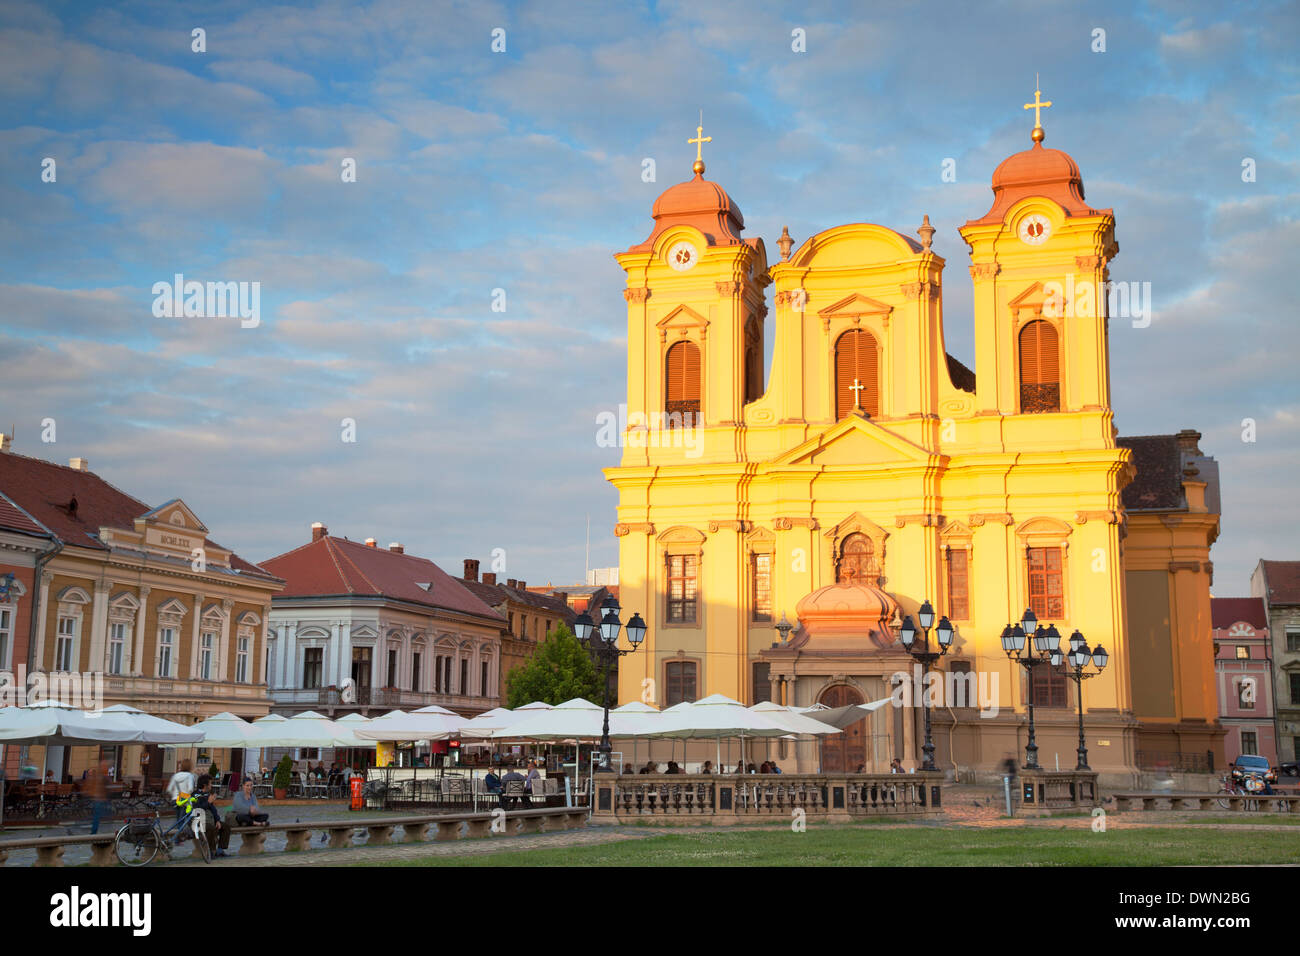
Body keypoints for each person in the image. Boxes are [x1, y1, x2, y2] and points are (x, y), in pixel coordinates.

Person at [192, 773, 223, 857]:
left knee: (226, 827)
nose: (211, 785)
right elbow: (197, 809)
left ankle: (220, 850)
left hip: (210, 819)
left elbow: (213, 809)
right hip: (200, 821)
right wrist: (208, 802)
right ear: (205, 785)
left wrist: (218, 820)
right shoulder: (195, 795)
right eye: (210, 783)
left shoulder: (208, 794)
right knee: (210, 828)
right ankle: (211, 851)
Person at [166, 759, 196, 827]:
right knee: (189, 818)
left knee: (179, 820)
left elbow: (169, 789)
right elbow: (190, 789)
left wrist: (175, 795)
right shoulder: (190, 776)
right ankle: (188, 834)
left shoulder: (175, 776)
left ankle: (178, 835)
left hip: (175, 800)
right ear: (190, 767)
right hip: (185, 800)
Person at [88, 759, 111, 835]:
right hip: (100, 799)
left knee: (97, 816)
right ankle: (94, 832)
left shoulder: (100, 775)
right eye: (105, 766)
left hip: (99, 798)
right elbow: (104, 787)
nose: (106, 768)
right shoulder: (102, 776)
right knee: (97, 816)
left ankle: (94, 832)